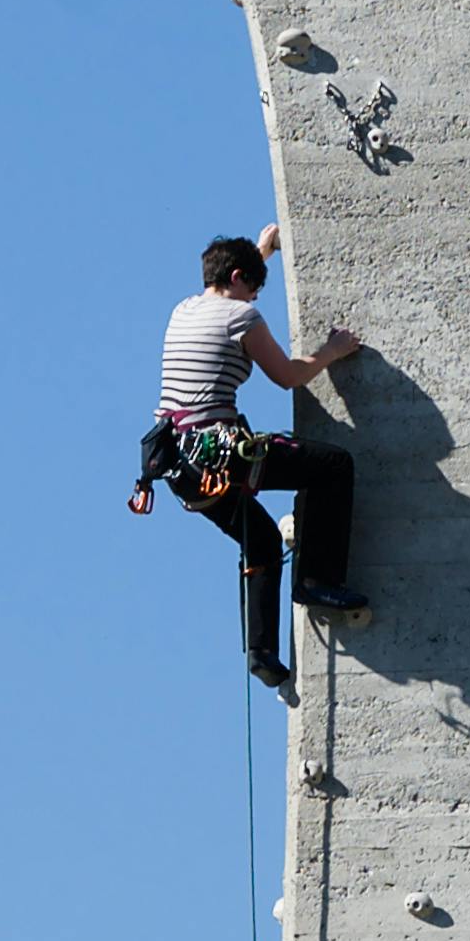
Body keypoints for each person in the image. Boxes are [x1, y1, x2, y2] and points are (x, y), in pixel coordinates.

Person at [133, 225, 364, 692]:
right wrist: (332, 352)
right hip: (221, 456)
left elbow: (234, 282)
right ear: (238, 279)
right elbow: (289, 376)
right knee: (333, 466)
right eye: (254, 288)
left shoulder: (183, 309)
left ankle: (261, 653)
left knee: (259, 539)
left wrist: (263, 252)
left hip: (179, 468)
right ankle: (317, 580)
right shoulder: (241, 318)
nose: (255, 298)